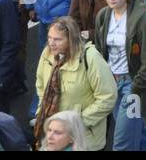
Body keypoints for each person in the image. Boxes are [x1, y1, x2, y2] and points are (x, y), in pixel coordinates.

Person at [92, 0, 146, 151]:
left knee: (122, 141)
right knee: (137, 129)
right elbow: (99, 49)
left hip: (133, 87)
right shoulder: (103, 16)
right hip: (111, 84)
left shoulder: (142, 20)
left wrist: (136, 88)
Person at [33, 16, 117, 151]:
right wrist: (41, 113)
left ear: (71, 39)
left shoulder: (91, 58)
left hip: (84, 139)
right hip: (56, 136)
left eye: (57, 39)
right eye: (49, 38)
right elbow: (41, 85)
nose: (51, 43)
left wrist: (77, 123)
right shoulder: (47, 54)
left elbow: (108, 97)